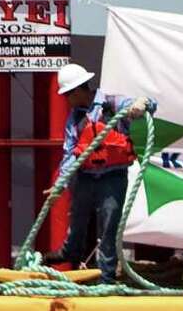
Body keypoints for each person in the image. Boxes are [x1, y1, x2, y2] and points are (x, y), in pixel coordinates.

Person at [52, 62, 134, 282]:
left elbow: (137, 106)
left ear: (78, 91)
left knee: (108, 226)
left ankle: (105, 277)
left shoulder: (112, 104)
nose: (66, 99)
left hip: (112, 178)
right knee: (77, 218)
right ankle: (71, 252)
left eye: (67, 94)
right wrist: (60, 184)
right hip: (86, 178)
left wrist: (141, 106)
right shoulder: (74, 119)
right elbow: (70, 153)